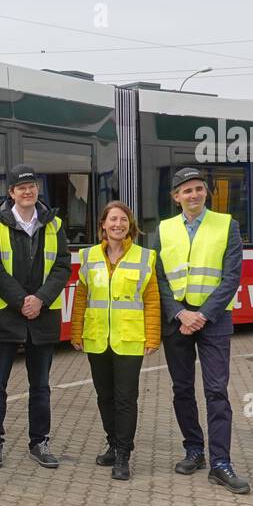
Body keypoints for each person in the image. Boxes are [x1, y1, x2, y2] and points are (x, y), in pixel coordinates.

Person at [158, 166, 250, 495]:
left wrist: (202, 315)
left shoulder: (226, 225)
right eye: (187, 190)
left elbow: (231, 277)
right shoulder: (164, 229)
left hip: (213, 321)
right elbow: (159, 279)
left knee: (216, 392)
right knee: (182, 389)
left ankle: (221, 463)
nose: (194, 194)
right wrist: (180, 313)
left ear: (206, 192)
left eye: (199, 189)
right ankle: (193, 450)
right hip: (177, 320)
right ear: (176, 197)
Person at [0, 168, 72, 469]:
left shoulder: (54, 224)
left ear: (37, 190)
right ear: (11, 193)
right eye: (21, 187)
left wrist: (41, 300)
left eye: (31, 186)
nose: (27, 192)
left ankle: (40, 442)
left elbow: (61, 267)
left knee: (41, 386)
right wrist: (22, 302)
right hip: (5, 317)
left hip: (42, 317)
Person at [69, 201, 160, 481]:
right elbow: (81, 296)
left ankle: (123, 453)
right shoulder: (88, 256)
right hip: (97, 338)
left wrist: (153, 335)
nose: (117, 224)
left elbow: (152, 299)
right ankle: (112, 442)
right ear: (103, 225)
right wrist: (76, 331)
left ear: (129, 225)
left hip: (129, 339)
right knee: (104, 396)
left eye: (122, 219)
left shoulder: (145, 257)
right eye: (112, 220)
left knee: (125, 399)